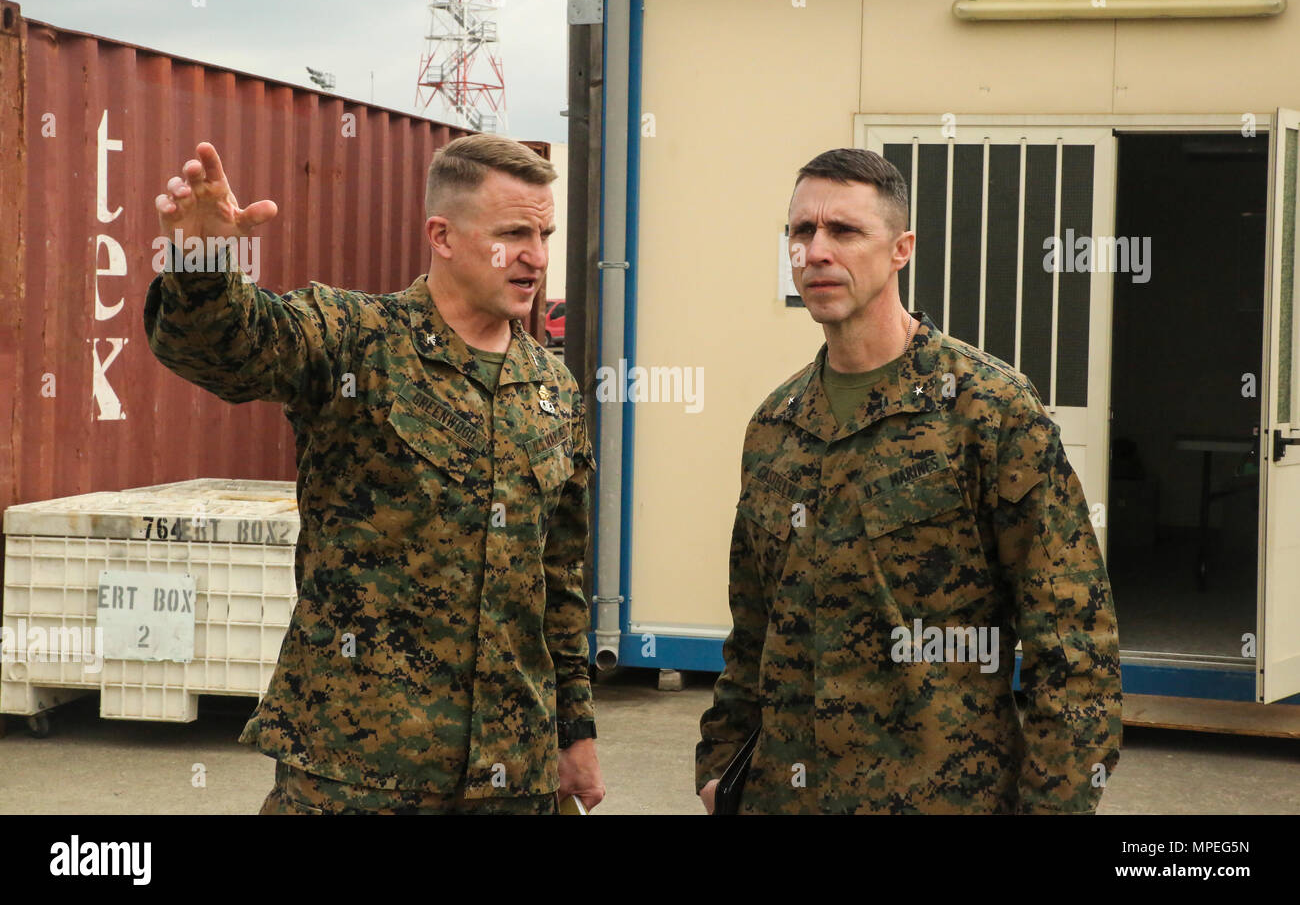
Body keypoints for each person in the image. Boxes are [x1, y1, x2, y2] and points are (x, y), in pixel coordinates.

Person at [144, 135, 603, 814]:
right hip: (356, 774)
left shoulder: (552, 389)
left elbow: (558, 583)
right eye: (513, 233)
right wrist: (205, 263)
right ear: (441, 235)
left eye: (544, 232)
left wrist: (576, 732)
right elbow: (233, 349)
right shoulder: (358, 339)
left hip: (511, 775)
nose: (536, 255)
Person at [695, 148, 1121, 814]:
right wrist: (721, 762)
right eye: (800, 232)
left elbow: (1070, 639)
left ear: (902, 248)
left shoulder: (988, 409)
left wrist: (1056, 804)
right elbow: (753, 627)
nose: (816, 250)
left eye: (844, 230)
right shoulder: (776, 425)